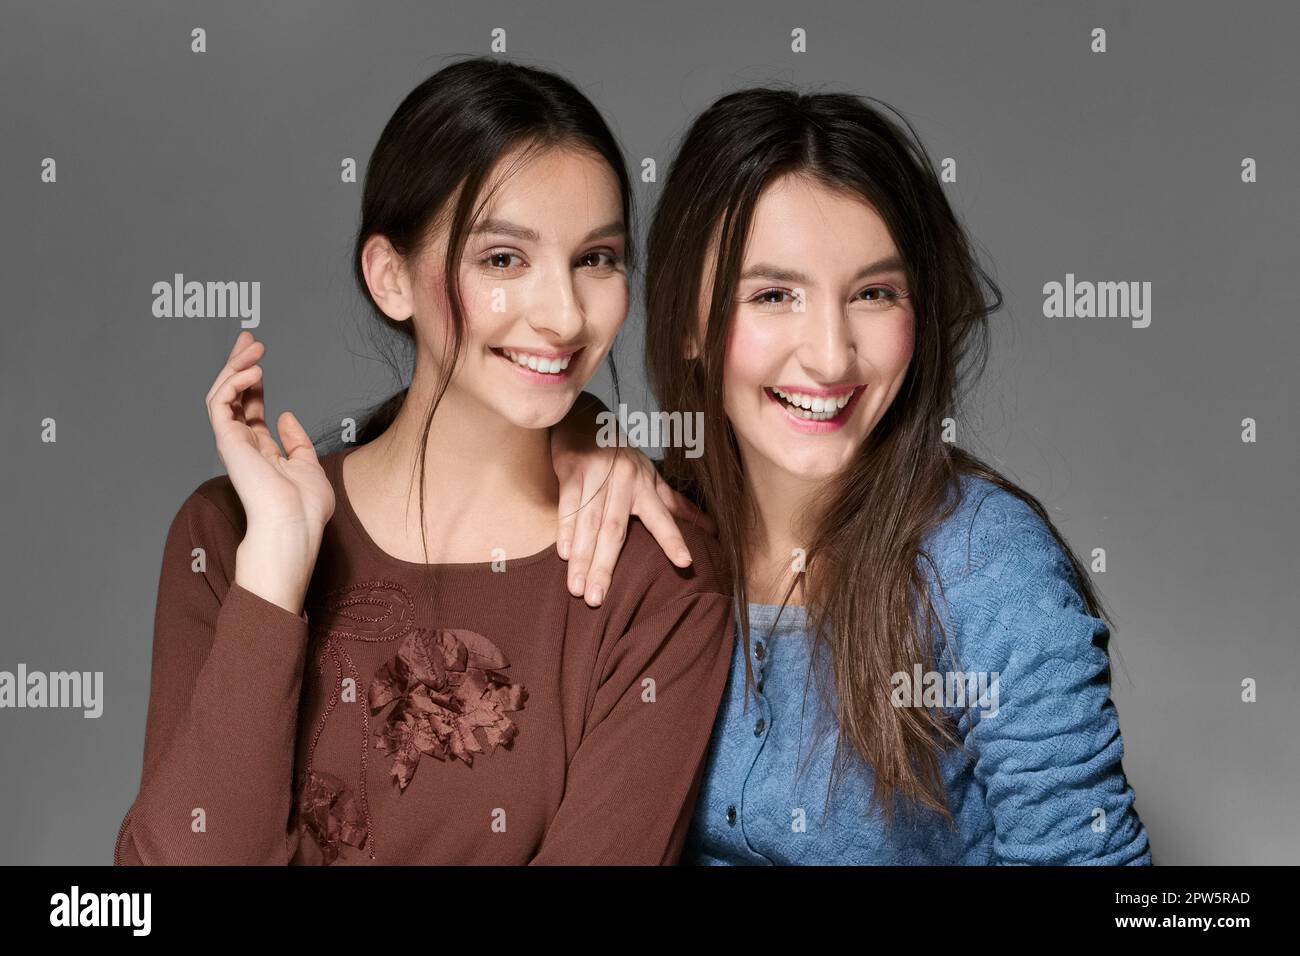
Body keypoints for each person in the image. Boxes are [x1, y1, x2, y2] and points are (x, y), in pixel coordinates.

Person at [114, 58, 734, 866]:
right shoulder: (226, 533)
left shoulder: (656, 579)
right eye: (503, 259)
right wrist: (273, 570)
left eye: (598, 259)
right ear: (390, 277)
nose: (563, 315)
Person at [550, 87, 1152, 864]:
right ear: (690, 324)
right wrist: (572, 436)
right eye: (774, 295)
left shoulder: (987, 567)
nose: (831, 356)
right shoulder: (641, 526)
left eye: (874, 294)